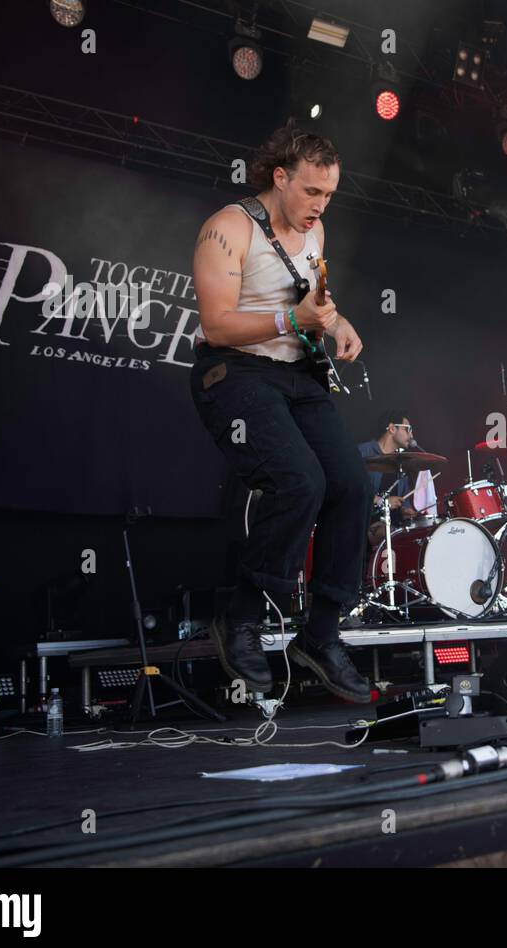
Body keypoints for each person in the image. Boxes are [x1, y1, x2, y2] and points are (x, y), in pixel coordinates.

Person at [190, 122, 371, 703]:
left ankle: (319, 635)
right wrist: (293, 322)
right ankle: (240, 618)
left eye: (329, 195)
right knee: (300, 482)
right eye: (311, 192)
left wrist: (335, 321)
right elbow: (217, 323)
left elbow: (313, 299)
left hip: (298, 375)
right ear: (280, 177)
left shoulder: (316, 234)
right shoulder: (228, 227)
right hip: (234, 372)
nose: (320, 205)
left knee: (353, 485)